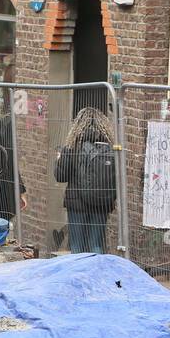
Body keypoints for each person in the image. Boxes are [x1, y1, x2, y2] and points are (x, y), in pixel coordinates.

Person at [54, 107, 118, 254]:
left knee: (77, 246)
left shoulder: (73, 146)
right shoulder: (110, 148)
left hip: (77, 204)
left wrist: (58, 160)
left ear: (77, 125)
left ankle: (79, 276)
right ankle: (97, 275)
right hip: (102, 203)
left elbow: (60, 176)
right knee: (96, 245)